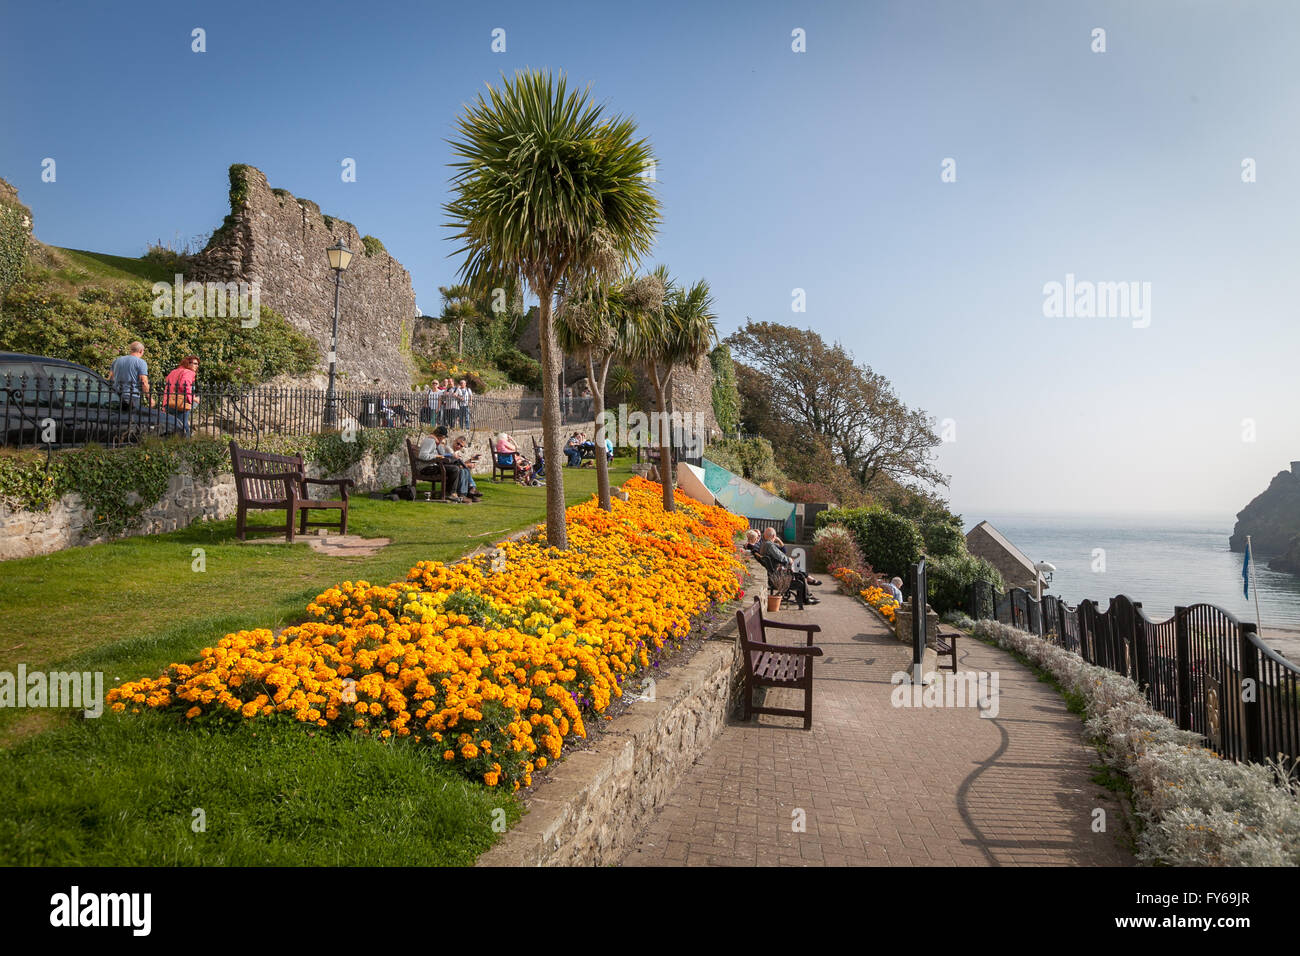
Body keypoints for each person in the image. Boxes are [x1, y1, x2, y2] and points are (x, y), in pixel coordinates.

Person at [428, 425, 477, 502]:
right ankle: (464, 493)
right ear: (454, 441)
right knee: (462, 469)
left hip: (447, 464)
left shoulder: (452, 450)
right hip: (442, 466)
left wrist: (471, 460)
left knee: (464, 469)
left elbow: (457, 461)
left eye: (461, 446)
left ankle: (468, 492)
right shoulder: (448, 448)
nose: (459, 446)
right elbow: (442, 456)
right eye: (458, 444)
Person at [106, 341, 151, 410]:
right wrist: (149, 397)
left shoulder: (117, 360)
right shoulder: (141, 362)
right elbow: (144, 382)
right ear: (141, 351)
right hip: (132, 396)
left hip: (116, 395)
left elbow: (110, 379)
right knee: (131, 418)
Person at [161, 355, 199, 435]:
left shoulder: (173, 372)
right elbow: (184, 385)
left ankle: (170, 444)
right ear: (188, 363)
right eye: (194, 363)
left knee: (171, 426)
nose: (196, 366)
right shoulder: (189, 372)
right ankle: (186, 444)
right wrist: (192, 399)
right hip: (181, 403)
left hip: (169, 402)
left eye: (197, 364)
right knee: (183, 426)